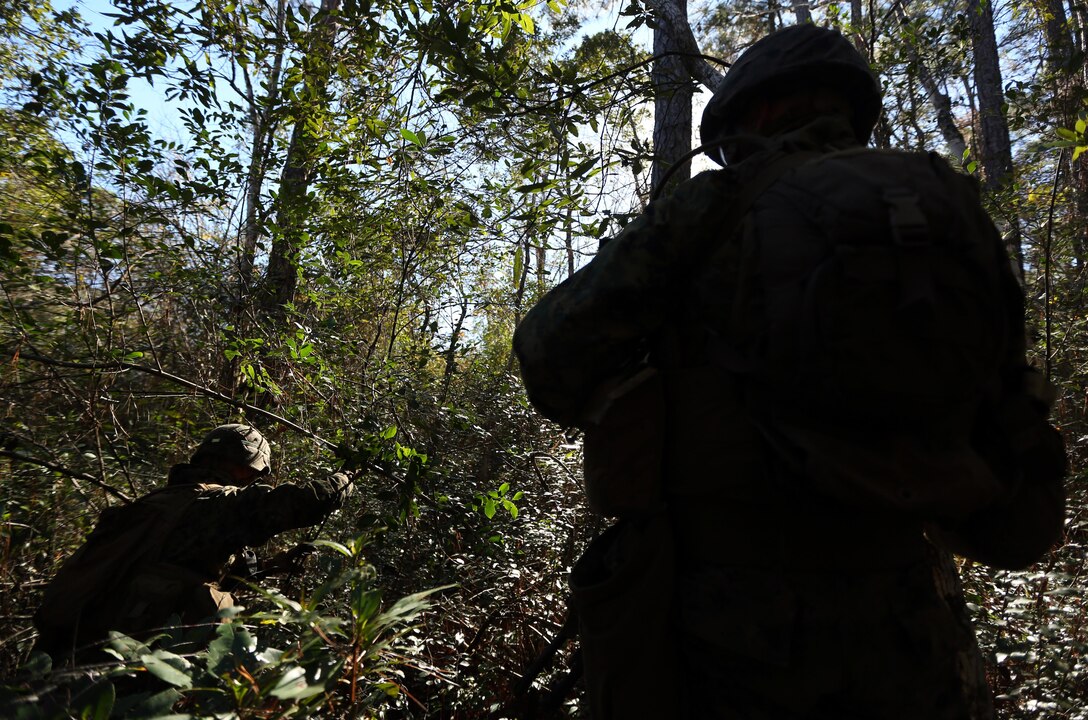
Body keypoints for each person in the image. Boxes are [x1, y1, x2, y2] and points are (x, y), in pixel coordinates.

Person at [513, 24, 1066, 720]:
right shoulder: (948, 215)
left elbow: (547, 356)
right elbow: (1010, 428)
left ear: (758, 111)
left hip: (728, 631)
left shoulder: (716, 206)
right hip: (910, 628)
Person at [33, 423, 353, 664]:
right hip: (124, 665)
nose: (253, 481)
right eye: (253, 473)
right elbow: (300, 503)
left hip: (73, 648)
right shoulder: (212, 503)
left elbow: (186, 569)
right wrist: (345, 479)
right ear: (241, 467)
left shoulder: (166, 502)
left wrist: (272, 565)